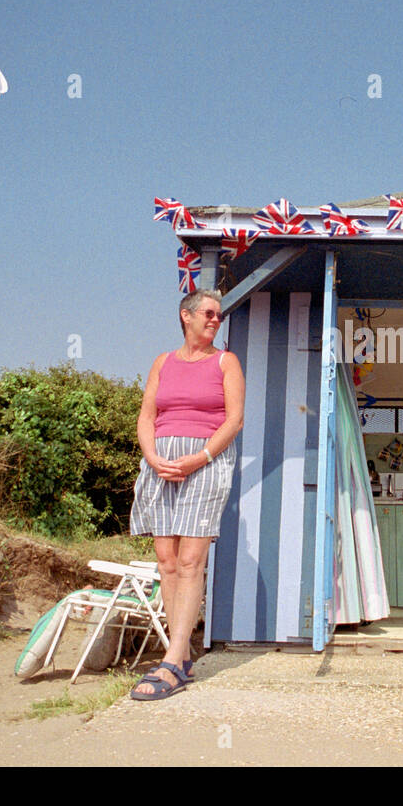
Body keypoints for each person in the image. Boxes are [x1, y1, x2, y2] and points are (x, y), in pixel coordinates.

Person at [128, 289, 244, 700]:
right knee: (168, 561)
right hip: (161, 465)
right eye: (209, 314)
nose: (216, 320)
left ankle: (174, 658)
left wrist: (201, 457)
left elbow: (234, 419)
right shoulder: (163, 362)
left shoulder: (226, 362)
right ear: (186, 316)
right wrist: (152, 456)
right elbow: (147, 415)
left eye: (219, 315)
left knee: (192, 561)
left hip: (205, 464)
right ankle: (177, 653)